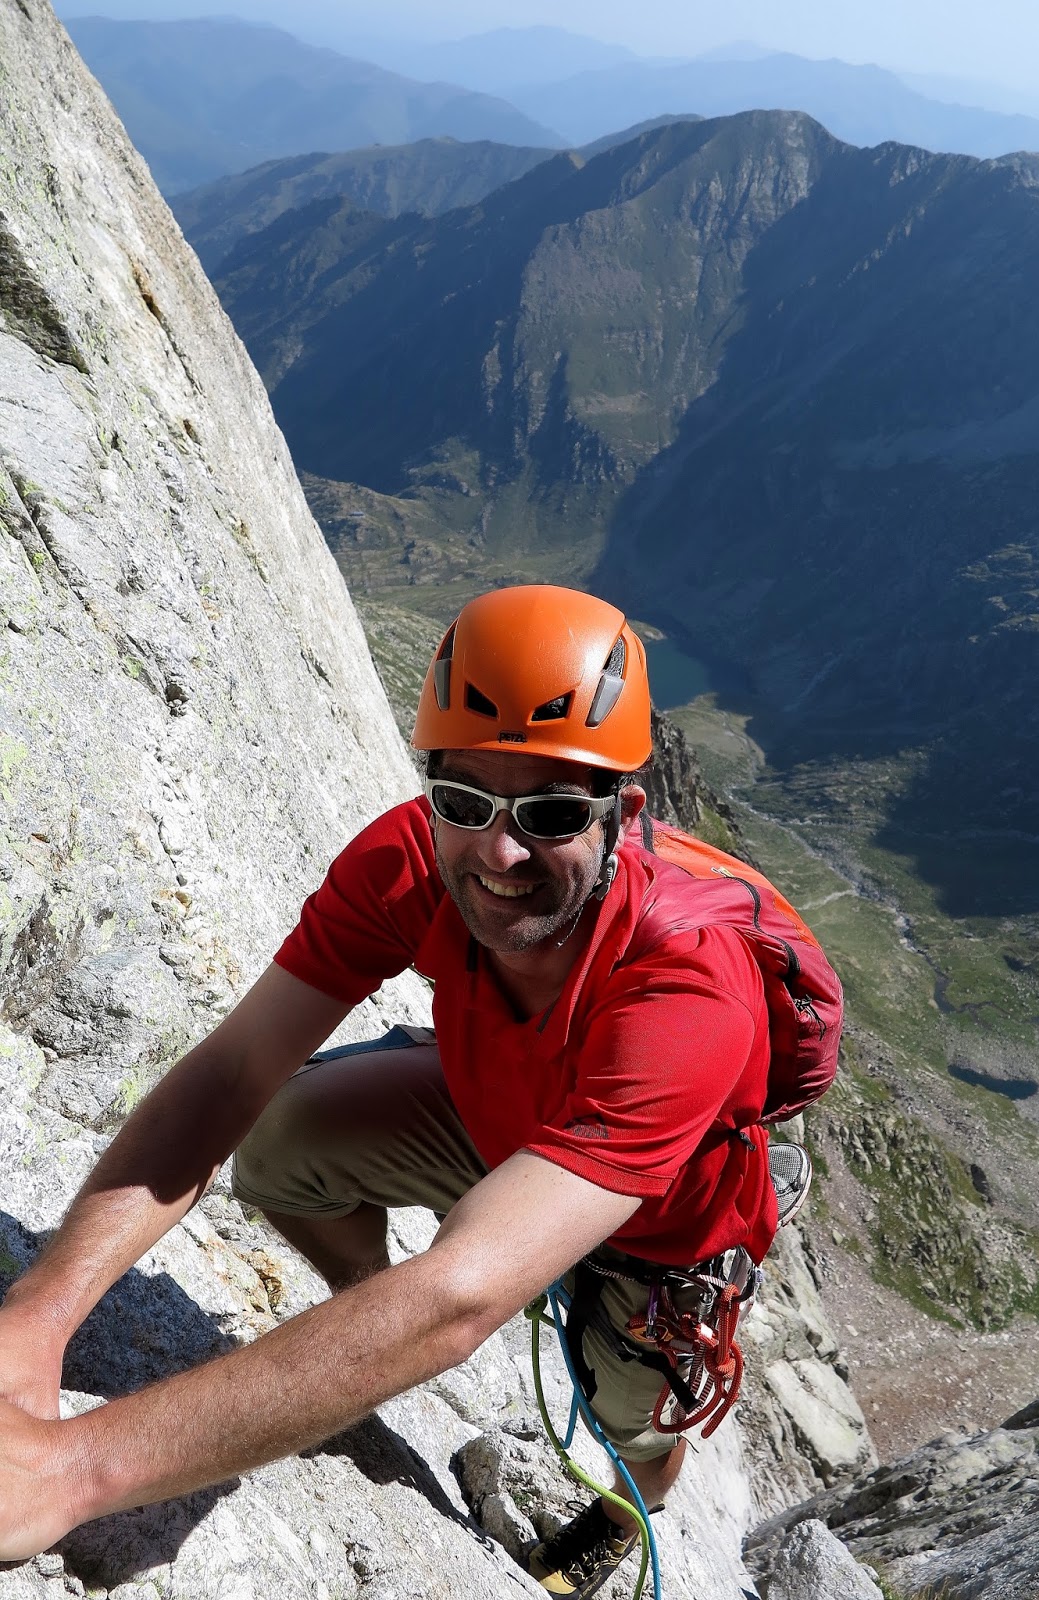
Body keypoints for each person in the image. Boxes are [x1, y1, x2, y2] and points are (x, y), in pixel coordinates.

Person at [0, 585, 832, 1596]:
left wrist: (71, 1468)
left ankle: (631, 1507)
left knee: (630, 1416)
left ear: (627, 813)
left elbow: (460, 1296)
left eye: (554, 811)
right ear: (430, 786)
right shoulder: (405, 863)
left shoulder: (690, 988)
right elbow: (228, 1076)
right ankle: (354, 1339)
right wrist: (33, 1323)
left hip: (659, 1230)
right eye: (464, 800)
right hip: (498, 1113)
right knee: (283, 1140)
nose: (500, 851)